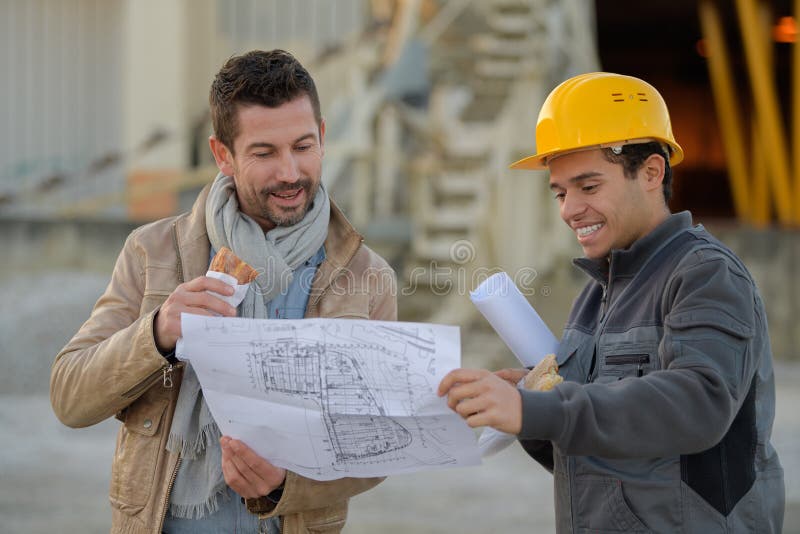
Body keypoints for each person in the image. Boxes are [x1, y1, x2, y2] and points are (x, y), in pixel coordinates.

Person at [51, 49, 397, 534]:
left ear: (322, 136)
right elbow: (70, 396)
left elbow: (382, 441)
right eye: (264, 153)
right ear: (222, 155)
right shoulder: (151, 253)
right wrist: (155, 335)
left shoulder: (366, 276)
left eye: (302, 146)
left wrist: (286, 483)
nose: (290, 173)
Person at [439, 72, 784, 532]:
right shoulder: (597, 294)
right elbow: (593, 453)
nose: (568, 209)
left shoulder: (704, 274)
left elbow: (699, 402)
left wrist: (540, 409)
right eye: (561, 192)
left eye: (588, 186)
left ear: (651, 172)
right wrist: (528, 399)